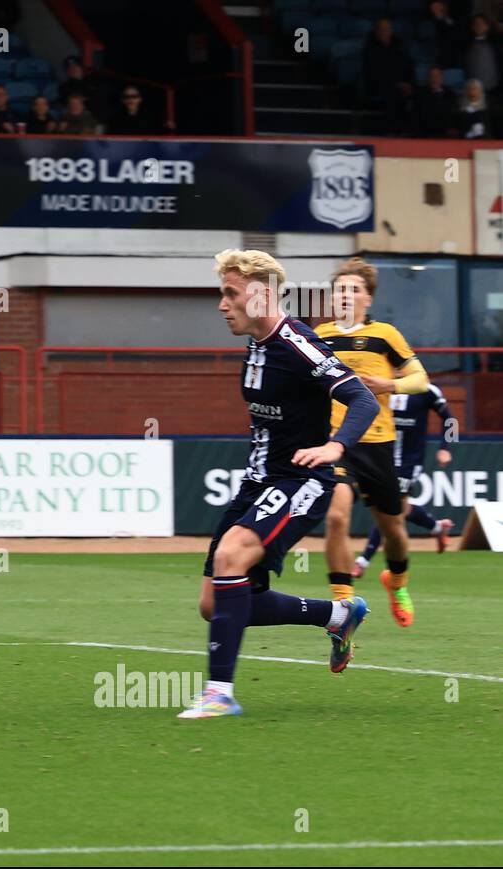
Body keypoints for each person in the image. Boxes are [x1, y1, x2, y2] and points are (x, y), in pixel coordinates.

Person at [181, 250, 378, 719]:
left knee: (231, 556)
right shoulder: (256, 343)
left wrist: (335, 447)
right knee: (216, 603)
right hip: (259, 481)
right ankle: (337, 615)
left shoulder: (297, 344)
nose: (221, 304)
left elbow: (362, 399)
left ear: (261, 294)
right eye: (222, 293)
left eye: (230, 294)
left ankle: (219, 693)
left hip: (302, 479)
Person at [314, 258, 429, 628]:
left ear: (367, 298)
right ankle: (343, 606)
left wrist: (388, 385)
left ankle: (397, 582)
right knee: (335, 517)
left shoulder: (385, 334)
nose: (346, 295)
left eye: (354, 289)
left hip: (378, 442)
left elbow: (421, 380)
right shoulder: (320, 336)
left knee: (394, 528)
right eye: (340, 289)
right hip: (336, 442)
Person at [353, 384, 456, 576]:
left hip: (409, 463)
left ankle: (363, 560)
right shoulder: (375, 385)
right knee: (401, 509)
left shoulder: (425, 390)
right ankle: (436, 527)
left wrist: (446, 448)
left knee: (392, 511)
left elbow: (451, 420)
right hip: (381, 459)